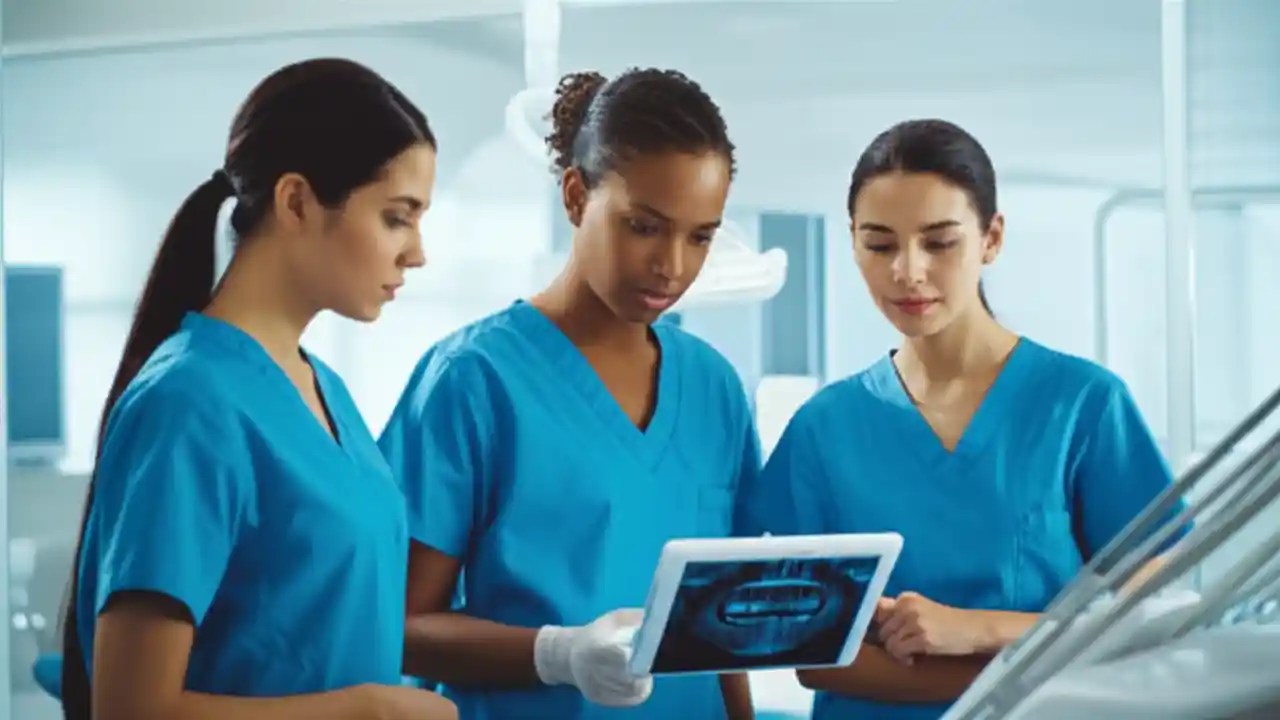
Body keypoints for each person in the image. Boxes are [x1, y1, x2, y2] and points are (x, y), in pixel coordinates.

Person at [737, 119, 1187, 720]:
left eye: (939, 242)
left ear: (991, 238)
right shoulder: (825, 428)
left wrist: (977, 628)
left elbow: (1153, 600)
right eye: (880, 245)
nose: (908, 271)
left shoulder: (1081, 404)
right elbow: (815, 655)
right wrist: (1024, 670)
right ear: (853, 244)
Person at [61, 58, 457, 720]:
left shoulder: (322, 388)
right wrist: (365, 712)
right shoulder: (187, 402)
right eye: (397, 217)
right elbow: (129, 708)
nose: (417, 252)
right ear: (296, 201)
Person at [377, 67, 759, 720]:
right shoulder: (472, 380)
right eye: (644, 226)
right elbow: (397, 627)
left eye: (700, 236)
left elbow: (721, 627)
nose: (672, 266)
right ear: (577, 196)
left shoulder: (714, 387)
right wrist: (556, 654)